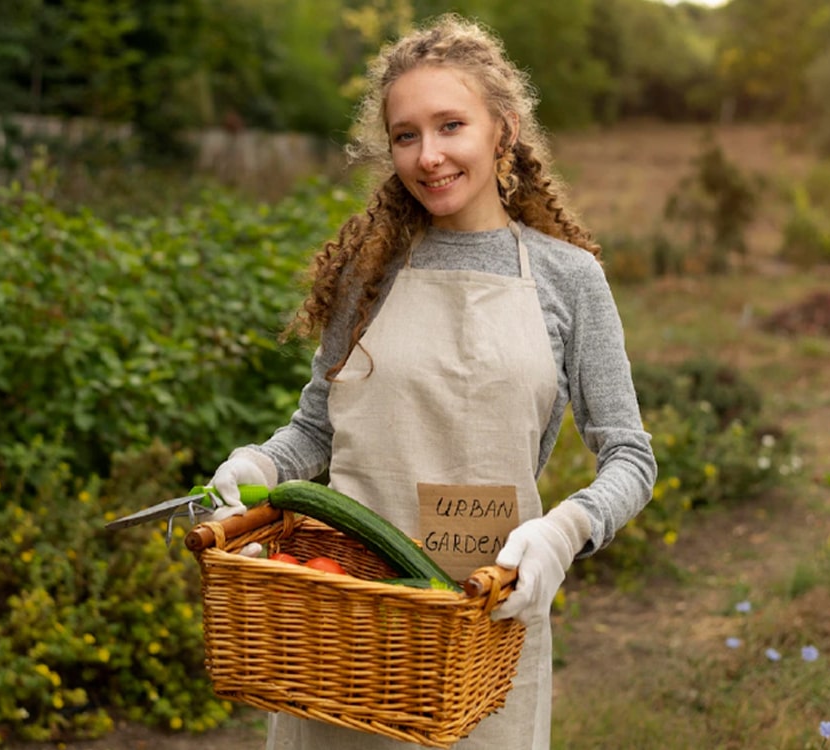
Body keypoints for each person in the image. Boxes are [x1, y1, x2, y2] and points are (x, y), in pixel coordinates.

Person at [207, 13, 657, 750]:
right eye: (407, 134)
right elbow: (315, 430)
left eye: (451, 125)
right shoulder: (368, 272)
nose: (429, 155)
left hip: (483, 625)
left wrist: (563, 532)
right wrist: (258, 466)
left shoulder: (568, 278)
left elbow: (631, 458)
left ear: (503, 132)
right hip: (345, 620)